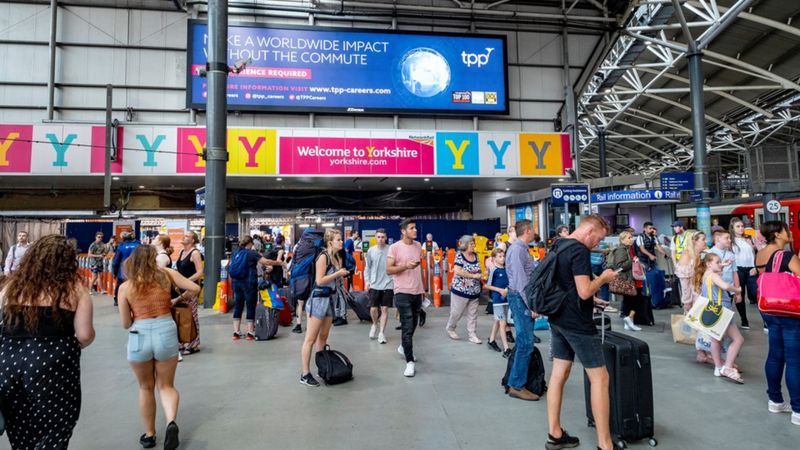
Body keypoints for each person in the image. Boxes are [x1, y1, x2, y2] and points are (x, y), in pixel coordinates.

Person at [0, 235, 95, 450]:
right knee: (55, 428)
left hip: (9, 364)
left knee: (19, 430)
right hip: (51, 365)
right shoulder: (75, 291)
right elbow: (84, 335)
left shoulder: (11, 287)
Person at [545, 214, 619, 450]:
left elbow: (567, 285)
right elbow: (584, 291)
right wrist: (604, 279)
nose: (598, 244)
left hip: (557, 318)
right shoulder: (579, 251)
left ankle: (555, 433)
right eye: (599, 238)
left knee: (559, 374)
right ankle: (605, 444)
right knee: (600, 377)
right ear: (589, 231)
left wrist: (592, 299)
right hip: (577, 323)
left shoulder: (559, 245)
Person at [118, 245, 199, 450]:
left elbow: (126, 323)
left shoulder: (126, 287)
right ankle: (171, 422)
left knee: (146, 387)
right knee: (166, 386)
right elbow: (195, 288)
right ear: (154, 258)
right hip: (166, 330)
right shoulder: (166, 274)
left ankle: (150, 434)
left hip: (139, 334)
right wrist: (178, 299)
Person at [755, 221, 800, 423]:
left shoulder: (766, 255)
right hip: (789, 310)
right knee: (794, 360)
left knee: (775, 356)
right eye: (786, 230)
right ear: (778, 234)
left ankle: (775, 400)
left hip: (770, 307)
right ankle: (798, 411)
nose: (789, 232)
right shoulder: (787, 256)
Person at [299, 229, 350, 387]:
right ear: (330, 242)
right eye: (338, 239)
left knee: (324, 337)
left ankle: (323, 367)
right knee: (310, 339)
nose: (341, 242)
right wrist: (338, 274)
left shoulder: (336, 257)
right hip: (318, 300)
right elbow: (320, 281)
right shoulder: (323, 257)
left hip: (329, 300)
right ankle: (305, 374)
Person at [694, 251, 745, 383]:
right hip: (722, 310)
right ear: (709, 264)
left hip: (712, 310)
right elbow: (725, 286)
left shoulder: (706, 275)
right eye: (717, 262)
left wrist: (722, 265)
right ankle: (727, 367)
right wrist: (737, 289)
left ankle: (718, 367)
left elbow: (716, 271)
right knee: (738, 339)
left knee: (716, 340)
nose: (720, 264)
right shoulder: (713, 276)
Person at [505, 219, 541, 401]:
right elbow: (521, 282)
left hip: (521, 298)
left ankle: (513, 380)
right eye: (533, 229)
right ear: (527, 231)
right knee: (526, 342)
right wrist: (532, 305)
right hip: (521, 299)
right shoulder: (518, 250)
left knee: (522, 341)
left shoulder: (521, 249)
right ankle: (516, 385)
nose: (535, 232)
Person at [386, 218, 425, 378]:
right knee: (407, 325)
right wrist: (405, 266)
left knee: (414, 323)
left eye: (415, 228)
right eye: (412, 228)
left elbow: (420, 268)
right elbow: (388, 270)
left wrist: (424, 288)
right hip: (402, 291)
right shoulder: (394, 248)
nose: (415, 230)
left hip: (417, 291)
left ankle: (403, 347)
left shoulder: (417, 246)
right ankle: (409, 362)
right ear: (403, 231)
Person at [232, 236, 284, 341]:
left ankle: (236, 332)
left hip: (236, 282)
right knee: (250, 306)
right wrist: (279, 262)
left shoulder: (236, 252)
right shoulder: (251, 253)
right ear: (250, 243)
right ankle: (250, 333)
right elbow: (266, 262)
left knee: (238, 306)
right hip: (248, 283)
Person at [446, 235, 483, 344]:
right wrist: (473, 276)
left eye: (473, 243)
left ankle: (472, 334)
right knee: (457, 312)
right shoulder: (459, 256)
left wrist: (482, 275)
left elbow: (479, 269)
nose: (473, 245)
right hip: (460, 290)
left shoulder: (476, 256)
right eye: (471, 244)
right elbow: (458, 271)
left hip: (474, 291)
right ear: (465, 245)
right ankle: (450, 328)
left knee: (473, 314)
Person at [710, 229, 747, 329]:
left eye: (730, 238)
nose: (730, 240)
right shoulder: (710, 253)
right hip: (715, 291)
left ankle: (724, 333)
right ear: (718, 239)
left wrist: (738, 292)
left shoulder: (731, 254)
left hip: (729, 290)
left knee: (726, 313)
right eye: (727, 238)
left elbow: (735, 273)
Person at [175, 231, 203, 355]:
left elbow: (199, 272)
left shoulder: (195, 253)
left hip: (191, 288)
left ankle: (194, 344)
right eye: (184, 235)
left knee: (192, 315)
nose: (184, 237)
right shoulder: (181, 252)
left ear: (192, 240)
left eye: (187, 236)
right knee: (181, 315)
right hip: (180, 288)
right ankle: (182, 341)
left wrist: (186, 281)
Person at [606, 231, 642, 331]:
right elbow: (619, 266)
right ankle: (629, 319)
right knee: (635, 299)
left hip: (630, 277)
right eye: (629, 238)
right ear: (622, 240)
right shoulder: (621, 250)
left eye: (631, 237)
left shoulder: (628, 249)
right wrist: (633, 260)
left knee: (630, 300)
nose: (631, 239)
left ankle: (629, 321)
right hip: (626, 278)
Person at [365, 228, 393, 344]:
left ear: (386, 238)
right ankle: (374, 324)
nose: (381, 239)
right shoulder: (371, 251)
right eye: (378, 237)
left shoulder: (391, 250)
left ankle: (381, 333)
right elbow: (368, 267)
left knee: (385, 308)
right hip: (374, 283)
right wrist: (367, 281)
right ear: (375, 238)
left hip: (388, 283)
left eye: (383, 237)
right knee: (373, 308)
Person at [486, 247, 511, 357]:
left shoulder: (507, 269)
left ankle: (491, 340)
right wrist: (500, 290)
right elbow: (488, 285)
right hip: (498, 301)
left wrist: (507, 290)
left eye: (503, 256)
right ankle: (506, 348)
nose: (502, 258)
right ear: (494, 259)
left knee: (498, 320)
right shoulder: (494, 271)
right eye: (500, 257)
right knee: (503, 323)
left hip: (506, 299)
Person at [731, 218, 758, 312]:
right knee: (740, 294)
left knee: (756, 293)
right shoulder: (730, 241)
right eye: (738, 226)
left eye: (742, 226)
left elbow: (754, 254)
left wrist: (755, 267)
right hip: (738, 269)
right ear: (732, 228)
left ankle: (766, 322)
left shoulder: (749, 239)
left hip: (751, 269)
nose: (741, 228)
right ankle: (744, 320)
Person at [112, 231, 142, 306]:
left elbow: (116, 261)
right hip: (136, 270)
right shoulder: (138, 245)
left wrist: (114, 273)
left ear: (123, 239)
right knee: (135, 285)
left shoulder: (121, 246)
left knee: (120, 285)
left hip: (123, 271)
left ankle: (117, 300)